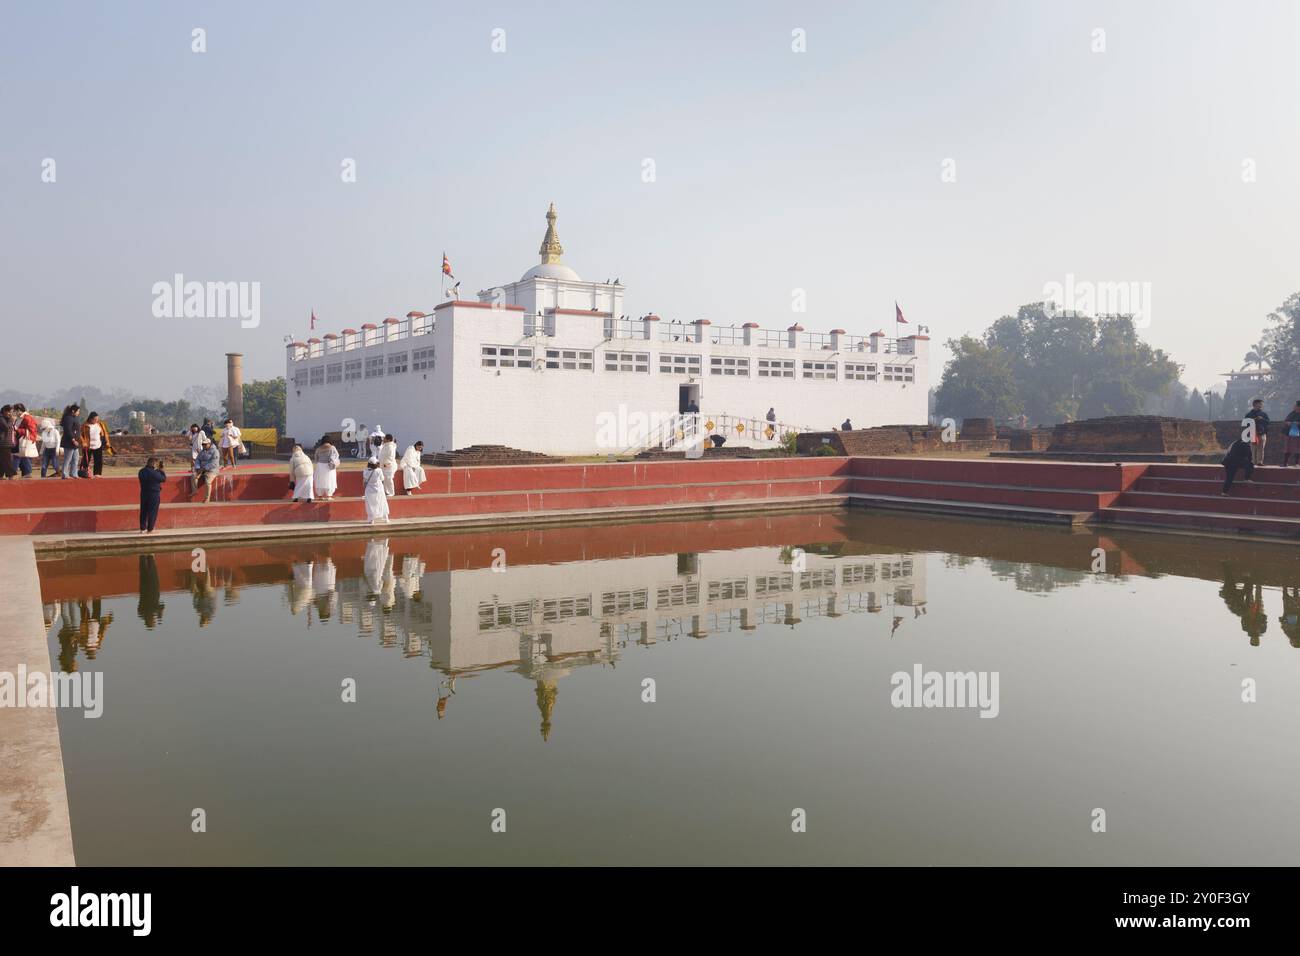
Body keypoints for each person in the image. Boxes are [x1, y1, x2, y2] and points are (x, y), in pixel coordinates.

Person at [79, 411, 113, 478]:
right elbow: (80, 435)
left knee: (98, 460)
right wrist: (83, 442)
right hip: (88, 446)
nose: (96, 420)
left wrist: (107, 441)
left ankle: (97, 473)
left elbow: (105, 433)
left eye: (97, 419)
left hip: (98, 444)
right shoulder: (85, 425)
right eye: (95, 419)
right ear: (90, 419)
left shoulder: (100, 424)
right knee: (85, 460)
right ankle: (84, 473)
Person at [137, 456, 166, 533]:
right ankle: (150, 529)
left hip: (143, 493)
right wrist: (161, 471)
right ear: (153, 463)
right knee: (152, 512)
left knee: (143, 511)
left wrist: (157, 471)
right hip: (153, 494)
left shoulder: (141, 471)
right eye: (155, 463)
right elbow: (163, 479)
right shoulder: (154, 473)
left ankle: (142, 528)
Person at [13, 404, 38, 478]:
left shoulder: (27, 418)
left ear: (19, 410)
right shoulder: (19, 418)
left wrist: (18, 431)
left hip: (26, 440)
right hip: (20, 440)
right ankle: (25, 473)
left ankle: (27, 473)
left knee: (25, 456)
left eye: (15, 411)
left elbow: (32, 430)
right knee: (22, 456)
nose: (15, 413)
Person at [363, 457, 390, 524]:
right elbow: (382, 479)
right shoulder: (379, 470)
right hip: (378, 489)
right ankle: (386, 518)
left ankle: (371, 519)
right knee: (382, 503)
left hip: (369, 490)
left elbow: (365, 480)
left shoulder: (365, 471)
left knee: (371, 505)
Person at [1245, 398, 1270, 466]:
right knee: (1253, 449)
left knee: (1261, 448)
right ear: (1254, 405)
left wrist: (1262, 419)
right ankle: (1253, 462)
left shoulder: (1264, 414)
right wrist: (1254, 420)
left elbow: (1268, 422)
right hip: (1253, 433)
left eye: (1262, 405)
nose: (1261, 406)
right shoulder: (1249, 414)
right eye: (1260, 404)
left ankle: (1259, 462)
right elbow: (1245, 423)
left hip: (1261, 433)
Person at [59, 404, 81, 479]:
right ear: (73, 411)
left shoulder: (73, 418)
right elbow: (68, 430)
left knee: (76, 458)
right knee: (68, 459)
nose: (78, 413)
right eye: (78, 411)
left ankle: (74, 473)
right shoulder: (68, 419)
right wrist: (73, 439)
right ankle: (65, 474)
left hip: (74, 443)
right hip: (69, 442)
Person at [1283, 401, 1300, 467]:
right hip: (1289, 433)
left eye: (1295, 405)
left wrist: (1298, 423)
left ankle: (1296, 463)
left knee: (1298, 448)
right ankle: (1285, 462)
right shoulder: (1292, 413)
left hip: (1298, 434)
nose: (1294, 406)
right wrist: (1288, 423)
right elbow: (1286, 421)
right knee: (1288, 447)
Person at [0, 406, 16, 479]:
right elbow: (6, 427)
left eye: (11, 412)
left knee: (3, 459)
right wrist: (11, 420)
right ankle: (10, 474)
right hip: (3, 443)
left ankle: (1, 475)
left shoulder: (5, 418)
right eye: (9, 412)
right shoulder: (1, 418)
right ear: (4, 411)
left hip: (6, 442)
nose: (10, 414)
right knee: (7, 460)